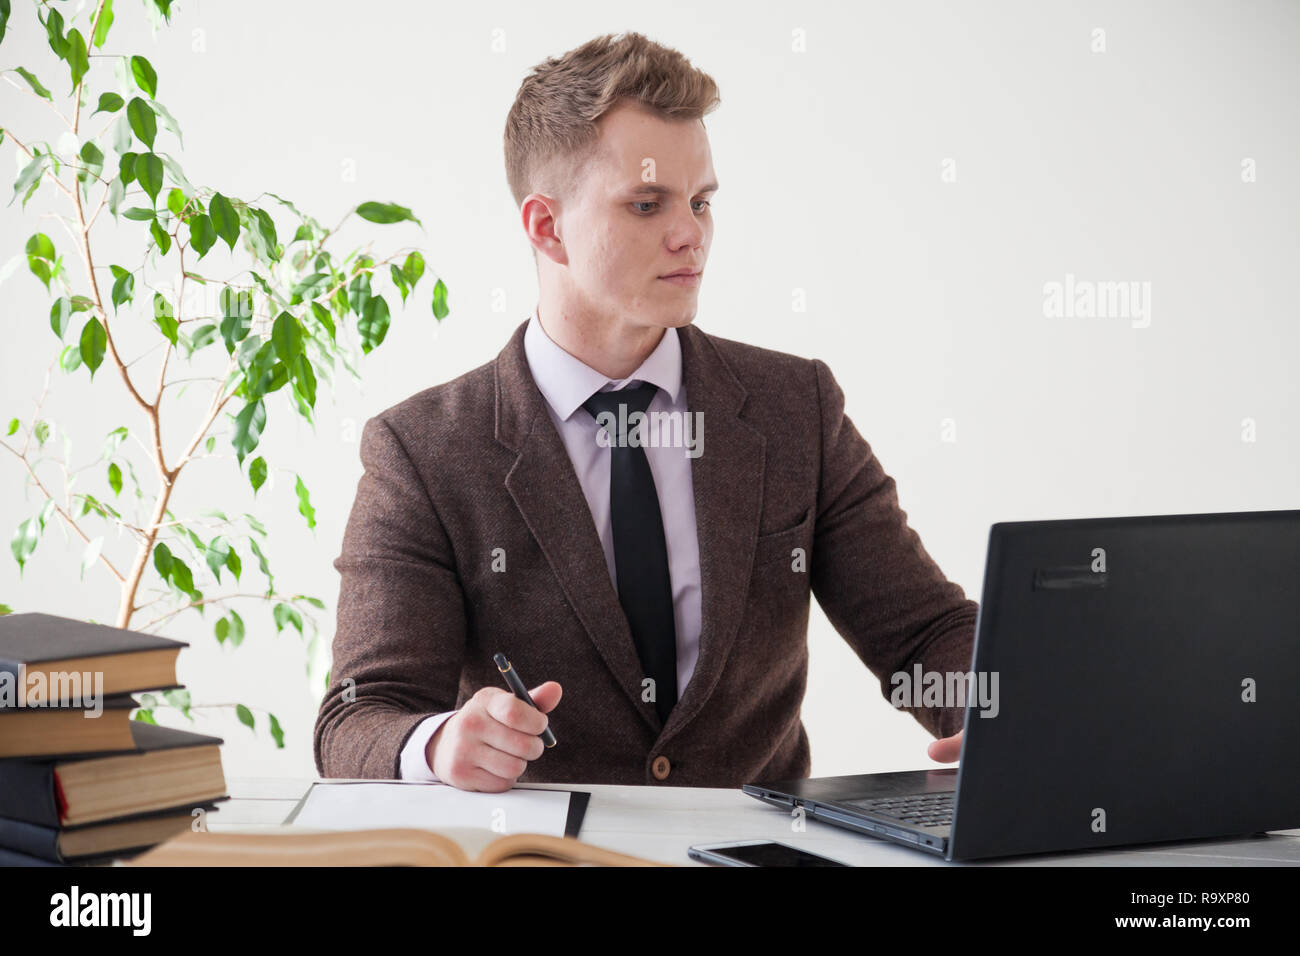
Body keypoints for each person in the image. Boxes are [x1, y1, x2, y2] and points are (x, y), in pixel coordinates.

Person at [313, 31, 974, 791]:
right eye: (647, 203)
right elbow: (360, 719)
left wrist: (1004, 704)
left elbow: (926, 634)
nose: (691, 232)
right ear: (545, 226)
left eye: (701, 201)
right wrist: (437, 744)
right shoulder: (423, 451)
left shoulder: (798, 409)